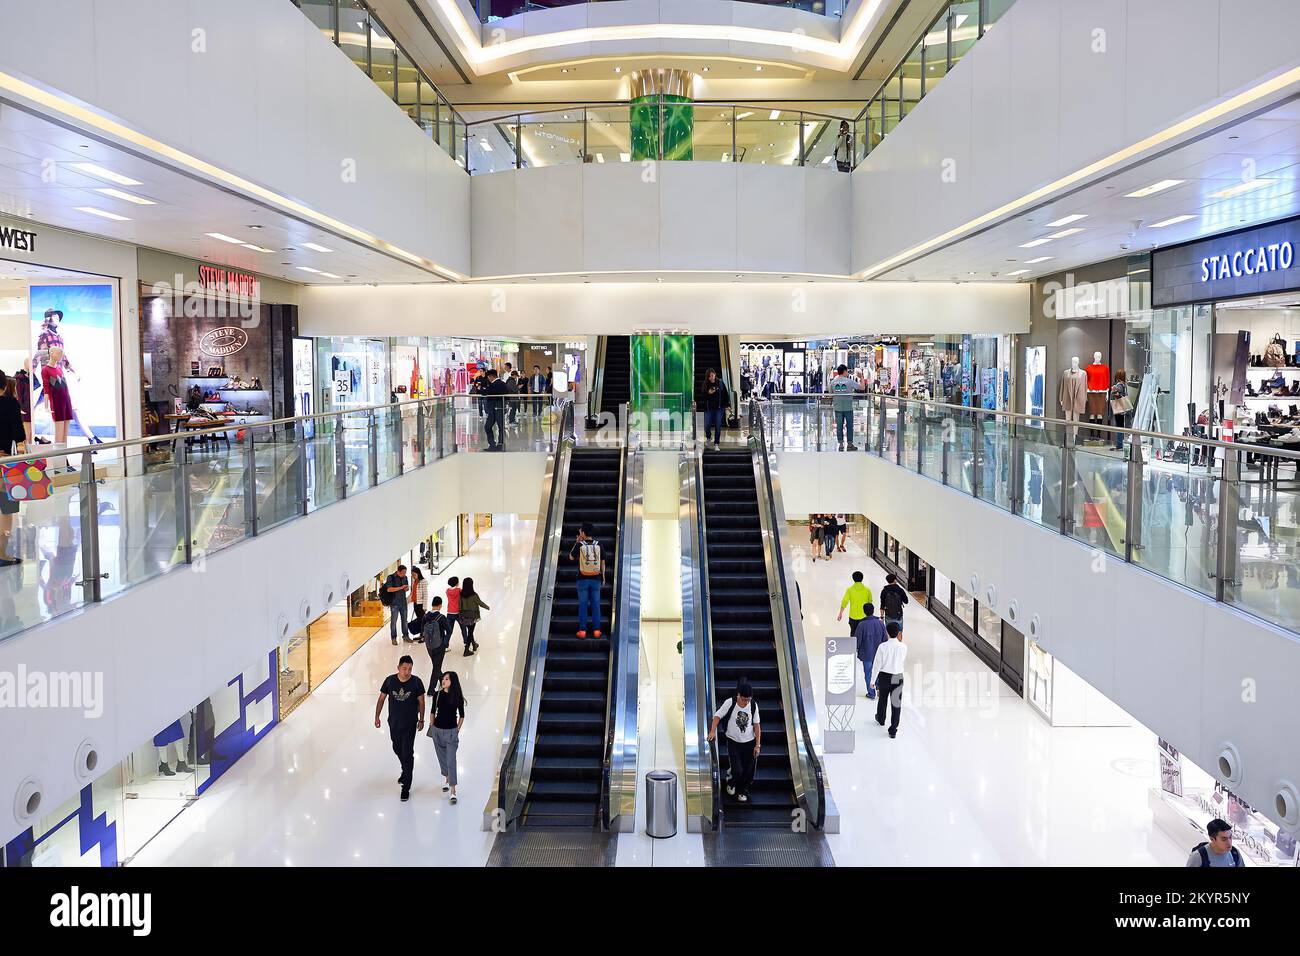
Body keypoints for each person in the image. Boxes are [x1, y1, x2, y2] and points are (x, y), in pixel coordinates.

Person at [374, 655, 426, 801]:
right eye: (404, 668)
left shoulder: (416, 682)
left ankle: (406, 787)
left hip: (410, 725)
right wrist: (377, 716)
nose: (407, 672)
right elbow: (381, 699)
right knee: (397, 748)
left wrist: (421, 719)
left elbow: (421, 702)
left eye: (409, 669)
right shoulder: (390, 680)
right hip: (394, 723)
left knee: (408, 754)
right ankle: (405, 770)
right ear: (398, 668)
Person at [707, 678, 761, 804]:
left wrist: (757, 745)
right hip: (733, 742)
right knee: (737, 769)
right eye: (744, 699)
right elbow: (717, 716)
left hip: (750, 742)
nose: (746, 702)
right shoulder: (730, 702)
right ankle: (731, 782)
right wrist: (712, 731)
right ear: (738, 695)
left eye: (748, 699)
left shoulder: (753, 705)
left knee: (748, 770)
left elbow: (757, 726)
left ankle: (742, 791)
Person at [0, 373, 28, 568]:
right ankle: (2, 553)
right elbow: (18, 432)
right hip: (3, 460)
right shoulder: (9, 403)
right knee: (6, 508)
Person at [426, 670, 466, 804]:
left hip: (451, 733)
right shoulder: (437, 695)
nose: (444, 681)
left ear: (453, 681)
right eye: (443, 679)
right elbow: (432, 712)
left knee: (451, 760)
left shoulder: (457, 697)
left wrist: (457, 729)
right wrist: (432, 726)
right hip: (437, 731)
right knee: (442, 758)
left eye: (447, 679)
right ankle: (447, 779)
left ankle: (453, 790)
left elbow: (462, 715)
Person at [569, 522, 605, 638]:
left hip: (582, 579)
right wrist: (603, 577)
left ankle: (583, 631)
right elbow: (603, 562)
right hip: (596, 578)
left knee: (583, 605)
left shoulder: (580, 545)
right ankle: (596, 631)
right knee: (596, 605)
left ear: (583, 533)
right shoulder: (599, 545)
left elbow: (571, 557)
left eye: (581, 531)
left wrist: (577, 542)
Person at [871, 622, 906, 738]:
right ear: (898, 633)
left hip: (884, 676)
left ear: (887, 633)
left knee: (883, 699)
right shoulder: (903, 647)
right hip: (898, 676)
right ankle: (893, 729)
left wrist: (872, 681)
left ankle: (881, 718)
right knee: (896, 703)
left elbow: (877, 665)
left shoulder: (882, 647)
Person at [854, 607, 888, 700]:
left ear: (864, 612)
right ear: (873, 611)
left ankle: (871, 693)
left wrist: (856, 649)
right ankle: (879, 689)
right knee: (878, 672)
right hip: (879, 654)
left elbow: (857, 640)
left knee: (868, 673)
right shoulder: (880, 623)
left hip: (866, 654)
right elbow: (885, 638)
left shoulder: (862, 625)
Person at [421, 595, 453, 688]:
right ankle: (431, 689)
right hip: (439, 645)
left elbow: (422, 630)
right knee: (436, 667)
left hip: (429, 645)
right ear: (440, 605)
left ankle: (441, 679)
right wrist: (445, 642)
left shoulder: (425, 616)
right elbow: (449, 631)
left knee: (436, 665)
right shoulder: (441, 617)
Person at [829, 364, 860, 450]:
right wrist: (861, 377)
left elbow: (830, 393)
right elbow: (861, 387)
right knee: (849, 426)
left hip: (838, 407)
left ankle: (841, 444)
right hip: (848, 407)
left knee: (839, 426)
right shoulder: (849, 381)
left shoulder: (833, 382)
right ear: (845, 371)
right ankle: (850, 444)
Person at [456, 576, 487, 655]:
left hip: (463, 616)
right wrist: (488, 607)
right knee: (470, 632)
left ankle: (474, 645)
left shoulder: (461, 595)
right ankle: (466, 650)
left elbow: (459, 605)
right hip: (472, 616)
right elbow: (480, 603)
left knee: (470, 631)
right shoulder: (474, 595)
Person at [837, 570, 874, 635]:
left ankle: (853, 644)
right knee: (863, 633)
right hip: (864, 616)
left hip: (853, 616)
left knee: (853, 632)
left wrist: (840, 613)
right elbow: (870, 602)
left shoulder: (850, 590)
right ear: (862, 578)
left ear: (853, 579)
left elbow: (844, 601)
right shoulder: (867, 590)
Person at [383, 564, 411, 645]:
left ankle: (405, 636)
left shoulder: (405, 577)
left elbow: (406, 589)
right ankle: (393, 638)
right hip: (394, 603)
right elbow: (389, 589)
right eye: (403, 572)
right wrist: (401, 587)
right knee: (394, 621)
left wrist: (406, 588)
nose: (404, 574)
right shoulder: (391, 577)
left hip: (403, 602)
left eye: (405, 572)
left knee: (405, 621)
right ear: (398, 571)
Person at [702, 367, 728, 451]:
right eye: (709, 376)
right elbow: (703, 396)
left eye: (712, 375)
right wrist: (708, 393)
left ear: (715, 374)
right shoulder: (706, 384)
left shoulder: (720, 383)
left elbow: (725, 394)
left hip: (719, 408)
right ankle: (709, 437)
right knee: (706, 426)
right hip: (709, 408)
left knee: (718, 425)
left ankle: (716, 443)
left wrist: (726, 405)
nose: (711, 378)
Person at [482, 369, 509, 451]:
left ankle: (493, 445)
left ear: (491, 376)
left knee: (488, 427)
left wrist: (481, 390)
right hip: (499, 408)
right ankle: (500, 445)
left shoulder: (495, 384)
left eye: (489, 377)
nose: (488, 379)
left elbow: (486, 392)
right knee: (500, 427)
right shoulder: (503, 384)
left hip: (495, 409)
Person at [409, 566, 428, 637]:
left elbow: (425, 594)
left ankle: (424, 635)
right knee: (420, 620)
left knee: (422, 620)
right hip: (415, 603)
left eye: (414, 574)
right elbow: (413, 592)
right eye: (412, 574)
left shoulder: (423, 581)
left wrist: (425, 606)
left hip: (421, 604)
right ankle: (421, 634)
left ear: (418, 573)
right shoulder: (414, 581)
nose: (413, 576)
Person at [445, 575, 463, 645]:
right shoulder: (459, 590)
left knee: (449, 630)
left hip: (449, 612)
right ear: (456, 583)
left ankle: (446, 645)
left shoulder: (447, 591)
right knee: (463, 628)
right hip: (458, 612)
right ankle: (465, 643)